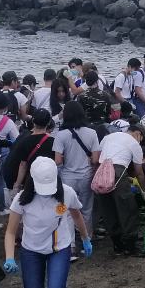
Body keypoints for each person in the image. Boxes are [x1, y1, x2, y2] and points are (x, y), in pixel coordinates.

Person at [3, 157, 89, 288]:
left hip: (59, 249)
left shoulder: (66, 193)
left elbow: (77, 216)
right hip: (31, 251)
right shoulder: (22, 198)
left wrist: (85, 238)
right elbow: (10, 232)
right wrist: (9, 257)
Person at [95, 123, 145, 255]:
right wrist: (144, 191)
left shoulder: (109, 137)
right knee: (127, 208)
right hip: (117, 171)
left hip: (101, 171)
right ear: (138, 134)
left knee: (108, 208)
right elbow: (139, 172)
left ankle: (117, 245)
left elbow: (99, 156)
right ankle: (131, 246)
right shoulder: (134, 144)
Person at [53, 101, 101, 243]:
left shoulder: (61, 135)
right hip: (86, 176)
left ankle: (70, 244)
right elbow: (95, 159)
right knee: (86, 209)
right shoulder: (92, 133)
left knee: (66, 211)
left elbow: (57, 161)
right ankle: (87, 239)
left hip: (67, 178)